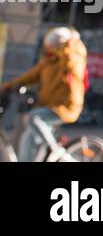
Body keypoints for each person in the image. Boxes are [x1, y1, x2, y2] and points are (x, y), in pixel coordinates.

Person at [1, 26, 88, 162]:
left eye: (53, 46)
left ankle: (56, 150)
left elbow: (71, 65)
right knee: (28, 137)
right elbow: (28, 77)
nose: (49, 49)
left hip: (65, 107)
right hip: (47, 106)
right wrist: (6, 86)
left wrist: (70, 43)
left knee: (32, 118)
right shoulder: (47, 63)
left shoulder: (73, 58)